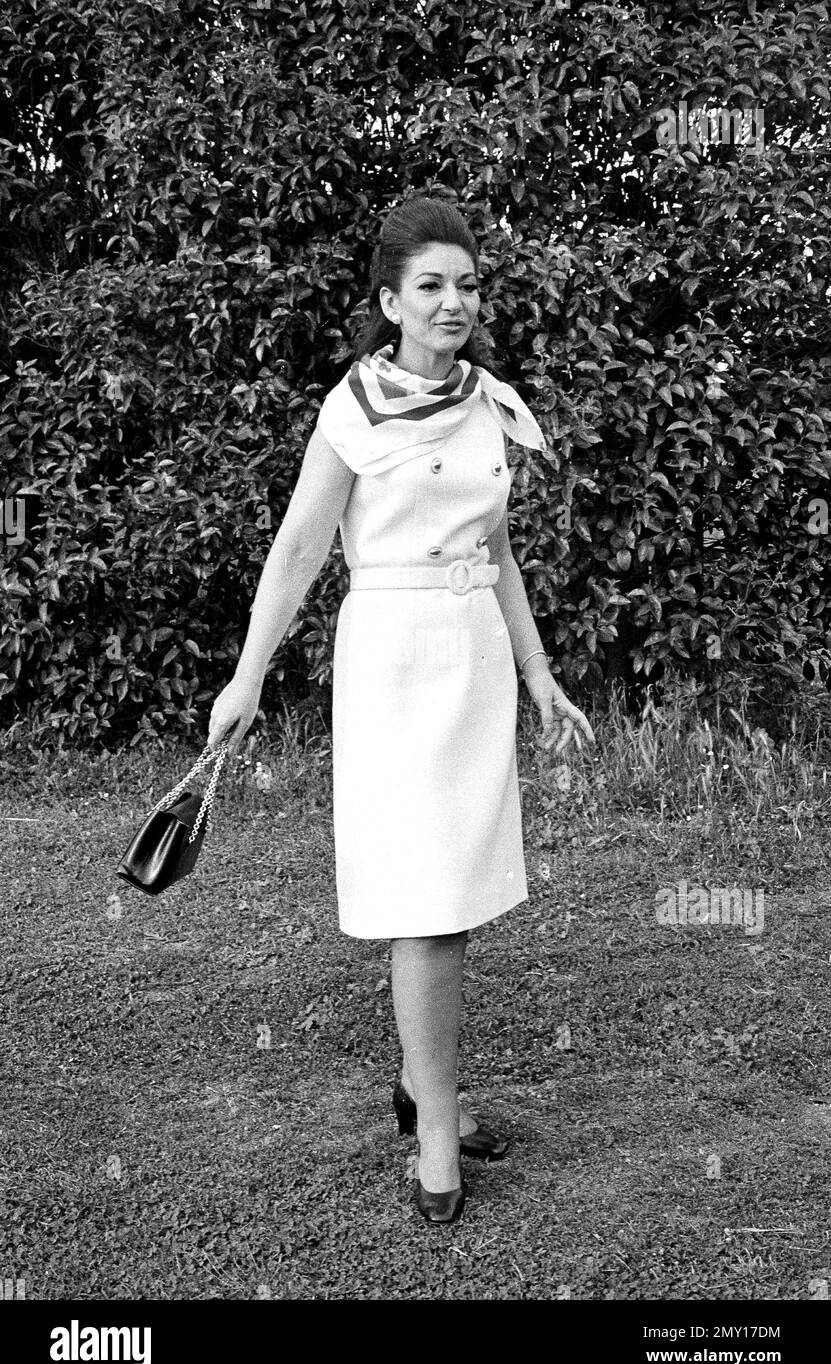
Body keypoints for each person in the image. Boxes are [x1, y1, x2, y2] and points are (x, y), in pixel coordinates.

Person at [208, 196, 595, 1225]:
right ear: (389, 301)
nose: (453, 301)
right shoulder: (352, 410)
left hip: (472, 664)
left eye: (466, 284)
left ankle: (426, 1090)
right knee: (424, 902)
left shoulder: (489, 404)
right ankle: (435, 1125)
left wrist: (540, 675)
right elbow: (296, 553)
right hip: (391, 662)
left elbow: (499, 553)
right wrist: (246, 678)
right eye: (430, 285)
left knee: (453, 896)